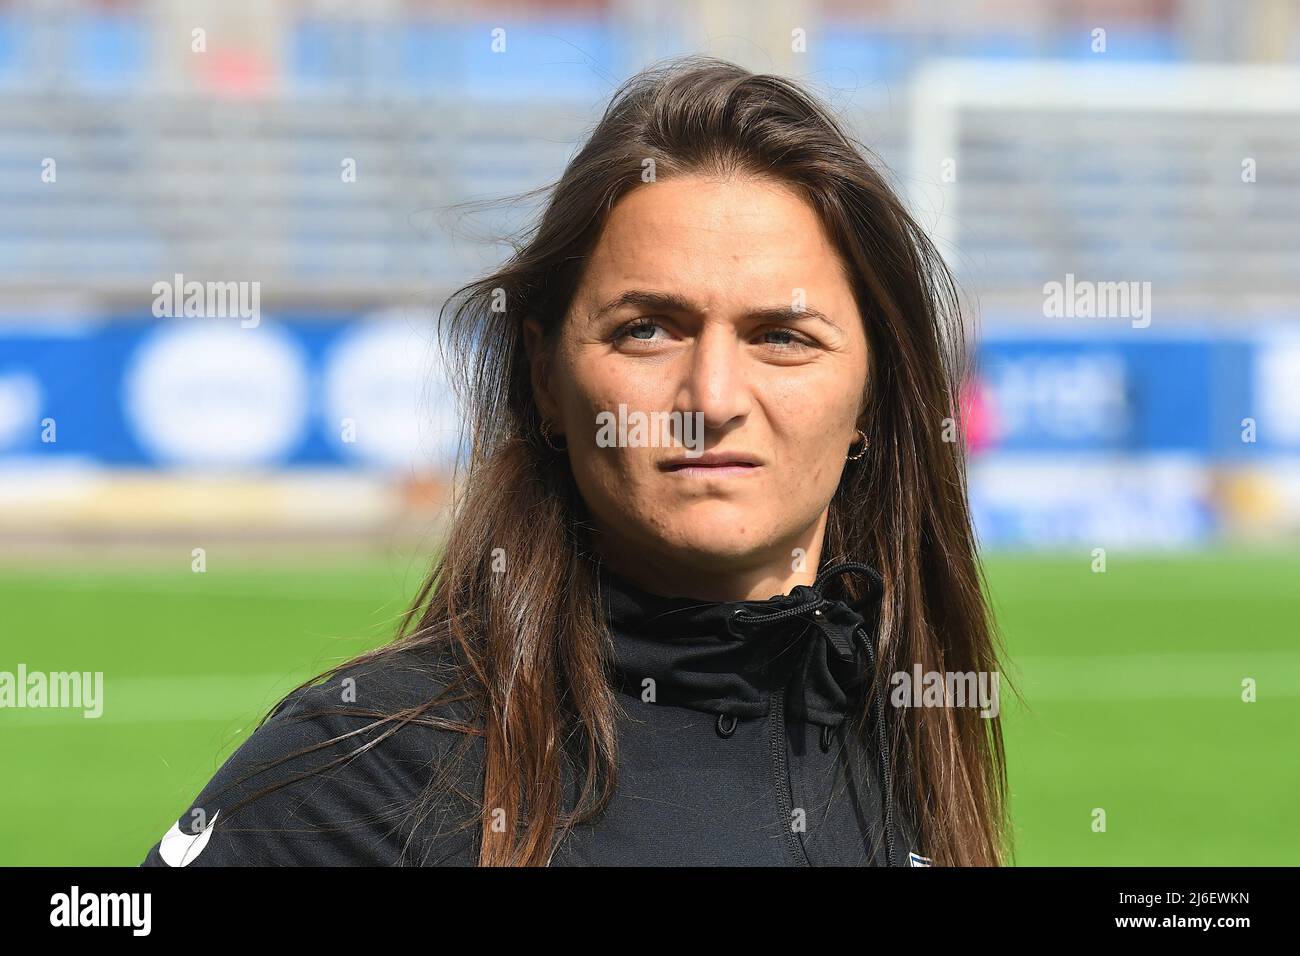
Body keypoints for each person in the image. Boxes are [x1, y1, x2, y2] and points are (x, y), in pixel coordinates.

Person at [142, 55, 1008, 868]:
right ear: (547, 380)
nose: (711, 399)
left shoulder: (905, 734)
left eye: (780, 337)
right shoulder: (358, 777)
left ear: (871, 396)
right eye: (647, 329)